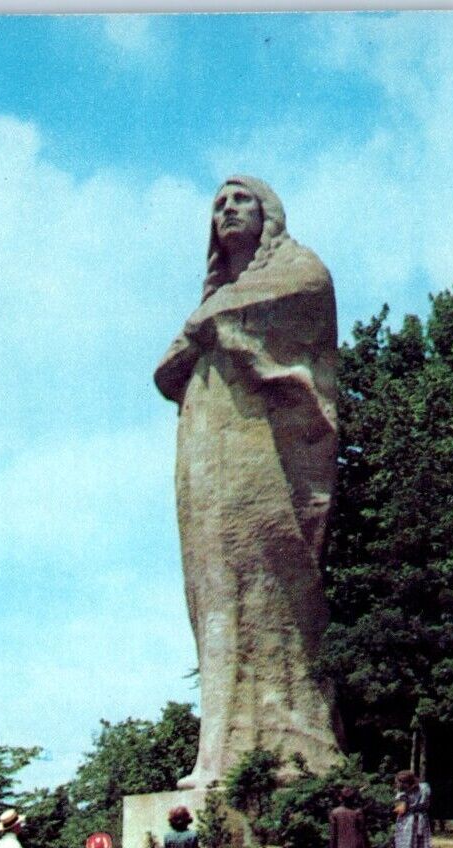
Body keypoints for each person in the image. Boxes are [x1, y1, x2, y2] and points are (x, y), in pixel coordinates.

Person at [154, 177, 343, 789]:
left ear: (269, 215)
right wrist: (205, 330)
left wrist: (208, 327)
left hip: (258, 452)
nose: (228, 210)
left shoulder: (298, 271)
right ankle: (218, 750)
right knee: (211, 587)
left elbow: (209, 328)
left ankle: (290, 747)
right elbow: (166, 368)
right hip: (206, 438)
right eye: (218, 204)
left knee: (262, 578)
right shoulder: (223, 296)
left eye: (242, 200)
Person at [393, 770, 433, 848]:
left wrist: (395, 809)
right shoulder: (424, 787)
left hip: (410, 823)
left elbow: (402, 809)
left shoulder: (404, 793)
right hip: (422, 820)